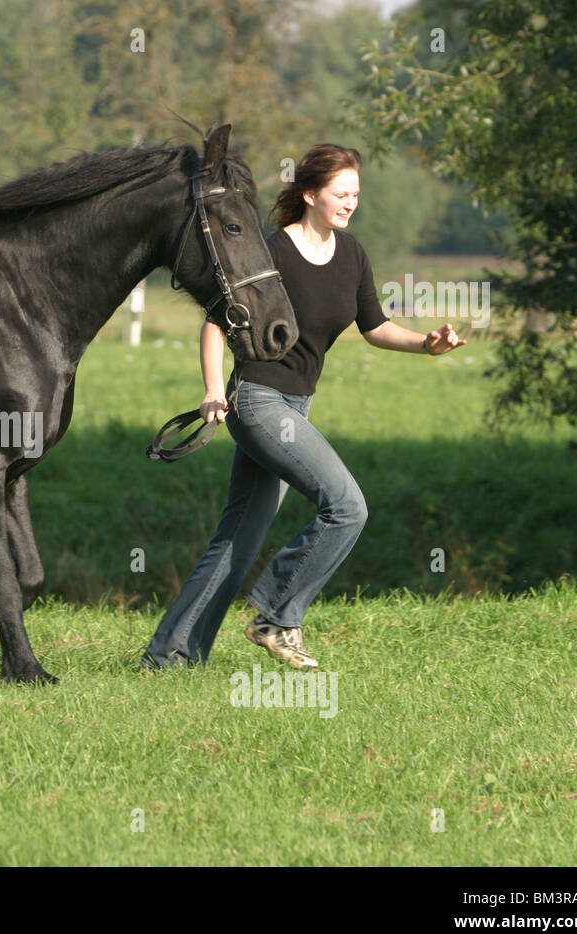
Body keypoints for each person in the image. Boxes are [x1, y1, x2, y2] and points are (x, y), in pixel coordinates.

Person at [141, 143, 467, 671]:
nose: (350, 203)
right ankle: (275, 615)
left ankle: (170, 656)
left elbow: (375, 326)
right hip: (258, 401)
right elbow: (215, 322)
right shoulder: (270, 252)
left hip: (296, 406)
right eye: (342, 193)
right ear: (311, 194)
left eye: (356, 194)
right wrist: (212, 390)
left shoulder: (352, 254)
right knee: (346, 506)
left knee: (238, 540)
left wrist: (426, 343)